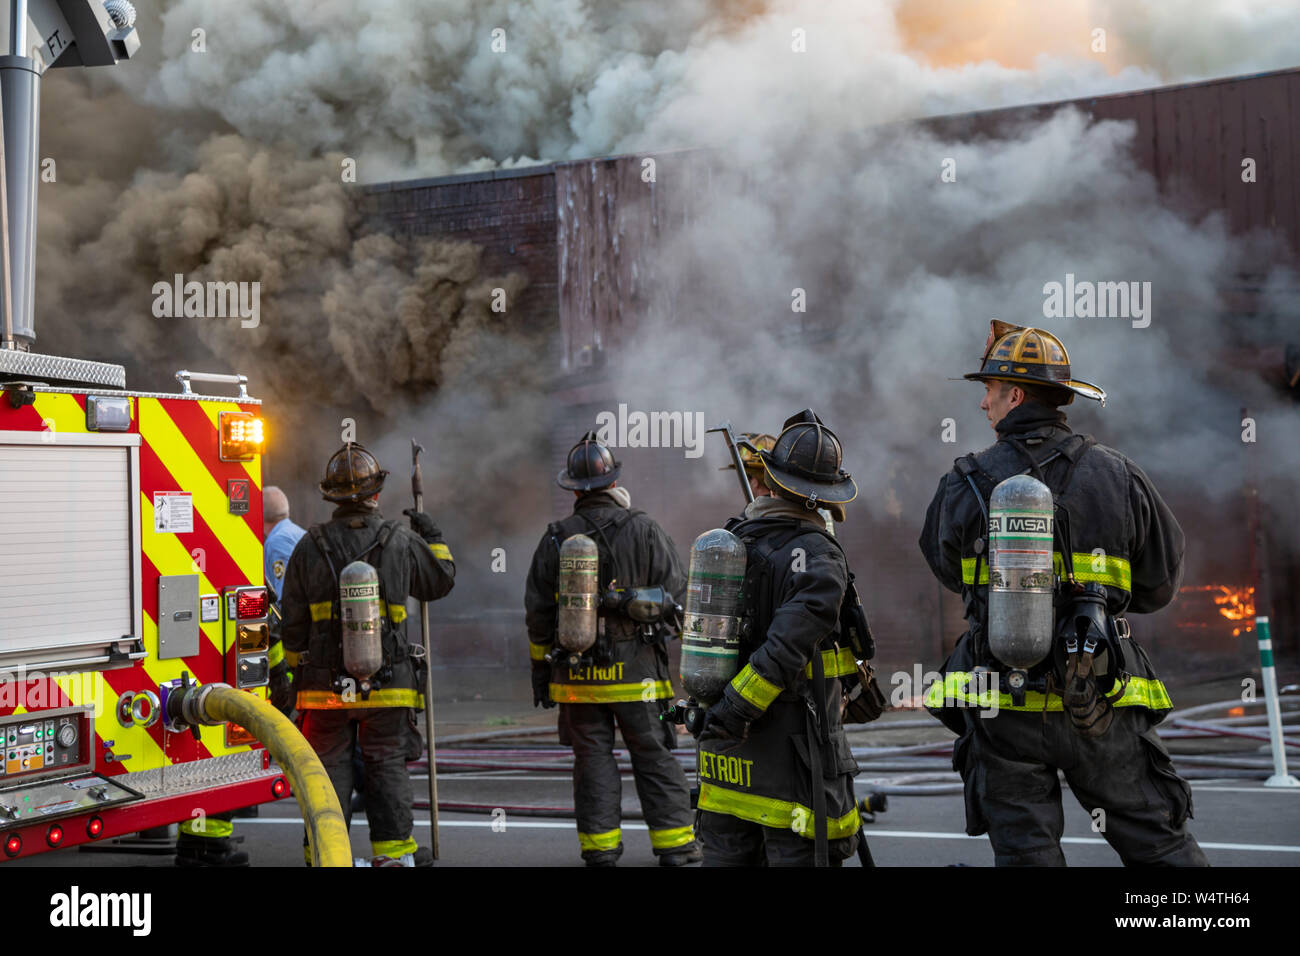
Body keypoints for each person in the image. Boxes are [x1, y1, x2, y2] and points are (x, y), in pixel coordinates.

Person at [919, 320, 1207, 866]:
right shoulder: (1120, 476)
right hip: (1100, 698)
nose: (983, 406)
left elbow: (948, 569)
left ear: (1016, 395)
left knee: (1028, 851)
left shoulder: (964, 480)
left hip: (1006, 703)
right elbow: (1160, 582)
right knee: (1155, 839)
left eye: (989, 391)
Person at [525, 431, 700, 866]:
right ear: (613, 481)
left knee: (592, 761)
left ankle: (600, 852)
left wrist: (542, 677)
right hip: (640, 676)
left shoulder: (555, 538)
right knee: (655, 755)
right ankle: (677, 849)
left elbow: (538, 615)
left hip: (577, 678)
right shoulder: (643, 529)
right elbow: (679, 597)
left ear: (572, 488)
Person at [696, 409, 862, 866]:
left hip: (725, 759)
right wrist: (737, 710)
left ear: (770, 483)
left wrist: (723, 714)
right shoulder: (819, 556)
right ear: (822, 497)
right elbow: (786, 649)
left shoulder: (731, 542)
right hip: (791, 756)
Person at [280, 442, 455, 867]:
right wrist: (433, 537)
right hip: (388, 685)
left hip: (324, 690)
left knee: (324, 773)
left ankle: (325, 856)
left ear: (331, 497)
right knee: (386, 766)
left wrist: (295, 677)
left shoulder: (308, 545)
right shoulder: (401, 539)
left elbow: (293, 627)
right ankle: (394, 856)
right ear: (376, 494)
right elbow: (441, 582)